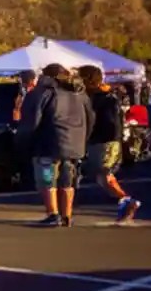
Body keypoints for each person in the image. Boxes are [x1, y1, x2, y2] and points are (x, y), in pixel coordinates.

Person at [17, 64, 94, 227]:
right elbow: (90, 118)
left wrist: (24, 140)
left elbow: (32, 120)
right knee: (68, 179)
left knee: (47, 178)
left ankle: (53, 214)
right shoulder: (80, 93)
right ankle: (67, 215)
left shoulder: (42, 93)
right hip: (75, 143)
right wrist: (83, 139)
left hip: (48, 142)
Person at [78, 66, 140, 224]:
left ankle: (126, 200)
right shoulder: (102, 96)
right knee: (103, 176)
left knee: (104, 174)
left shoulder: (105, 98)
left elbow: (110, 123)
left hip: (105, 141)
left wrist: (99, 135)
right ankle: (125, 201)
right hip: (104, 140)